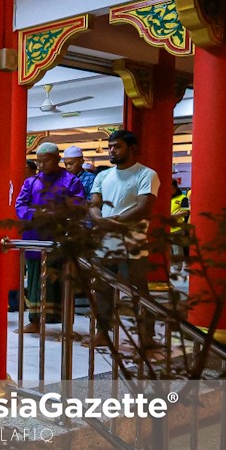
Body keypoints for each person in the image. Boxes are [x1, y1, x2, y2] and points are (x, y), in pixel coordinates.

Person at [87, 129, 160, 351]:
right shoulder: (102, 176)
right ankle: (102, 332)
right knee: (102, 288)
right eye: (110, 146)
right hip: (104, 241)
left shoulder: (146, 174)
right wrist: (100, 220)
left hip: (133, 240)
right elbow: (94, 204)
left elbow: (143, 208)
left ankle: (146, 335)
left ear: (132, 148)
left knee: (138, 289)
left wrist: (110, 221)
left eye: (117, 146)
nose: (111, 150)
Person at [15, 142, 86, 334]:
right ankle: (35, 321)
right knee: (35, 281)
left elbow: (78, 205)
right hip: (35, 239)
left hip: (59, 239)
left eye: (44, 160)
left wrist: (55, 214)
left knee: (62, 282)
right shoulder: (31, 182)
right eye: (38, 161)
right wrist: (35, 215)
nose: (40, 165)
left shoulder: (71, 181)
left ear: (56, 159)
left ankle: (66, 325)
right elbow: (20, 205)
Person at [169, 178, 190, 276]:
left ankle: (177, 268)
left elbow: (186, 212)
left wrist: (174, 216)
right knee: (167, 249)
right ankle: (170, 266)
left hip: (177, 228)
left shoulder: (183, 198)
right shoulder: (167, 197)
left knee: (177, 249)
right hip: (167, 227)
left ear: (175, 187)